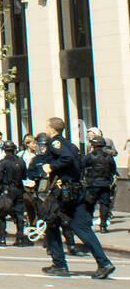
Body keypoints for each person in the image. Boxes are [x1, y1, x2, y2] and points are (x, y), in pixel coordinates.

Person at [32, 117, 114, 279]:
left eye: (47, 127)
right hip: (75, 190)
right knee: (81, 226)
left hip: (63, 193)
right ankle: (104, 263)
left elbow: (66, 158)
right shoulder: (70, 144)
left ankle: (59, 264)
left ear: (52, 129)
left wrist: (51, 167)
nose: (46, 130)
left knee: (52, 224)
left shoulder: (56, 143)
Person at [0, 141, 30, 246]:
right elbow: (24, 176)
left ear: (5, 150)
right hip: (19, 189)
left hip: (7, 190)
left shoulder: (2, 163)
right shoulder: (21, 161)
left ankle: (2, 237)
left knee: (1, 212)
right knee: (19, 213)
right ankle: (20, 238)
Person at [82, 133, 117, 233]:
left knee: (89, 205)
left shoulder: (90, 156)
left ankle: (88, 225)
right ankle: (103, 226)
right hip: (105, 184)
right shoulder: (108, 157)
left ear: (93, 145)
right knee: (104, 205)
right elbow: (113, 169)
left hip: (92, 184)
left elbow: (81, 166)